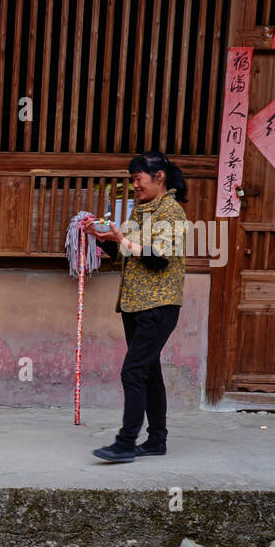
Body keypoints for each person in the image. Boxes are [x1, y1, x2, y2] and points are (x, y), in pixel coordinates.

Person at [85, 150, 188, 463]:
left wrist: (123, 240)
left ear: (159, 177)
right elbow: (125, 254)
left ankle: (126, 441)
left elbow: (159, 258)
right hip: (134, 304)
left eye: (138, 179)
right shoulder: (140, 211)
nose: (135, 186)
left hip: (159, 305)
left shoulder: (172, 212)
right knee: (148, 372)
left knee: (133, 371)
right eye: (132, 181)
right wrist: (102, 238)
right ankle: (156, 440)